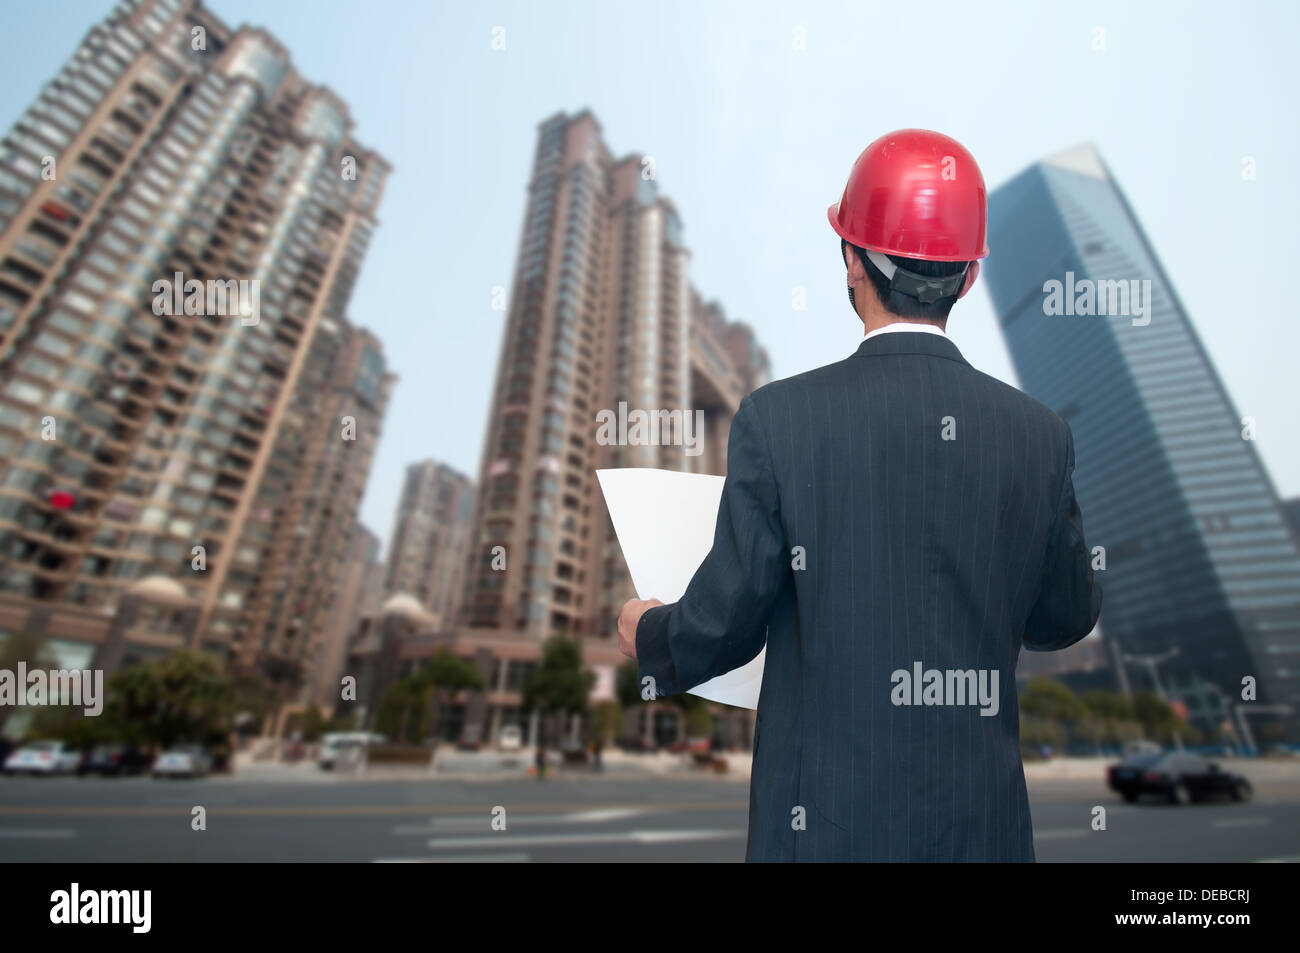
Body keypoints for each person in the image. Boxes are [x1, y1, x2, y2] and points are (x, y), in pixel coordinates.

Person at [618, 129, 1101, 862]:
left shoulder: (779, 420)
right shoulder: (1039, 437)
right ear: (969, 277)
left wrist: (650, 631)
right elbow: (1066, 614)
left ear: (851, 259)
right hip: (983, 836)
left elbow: (726, 622)